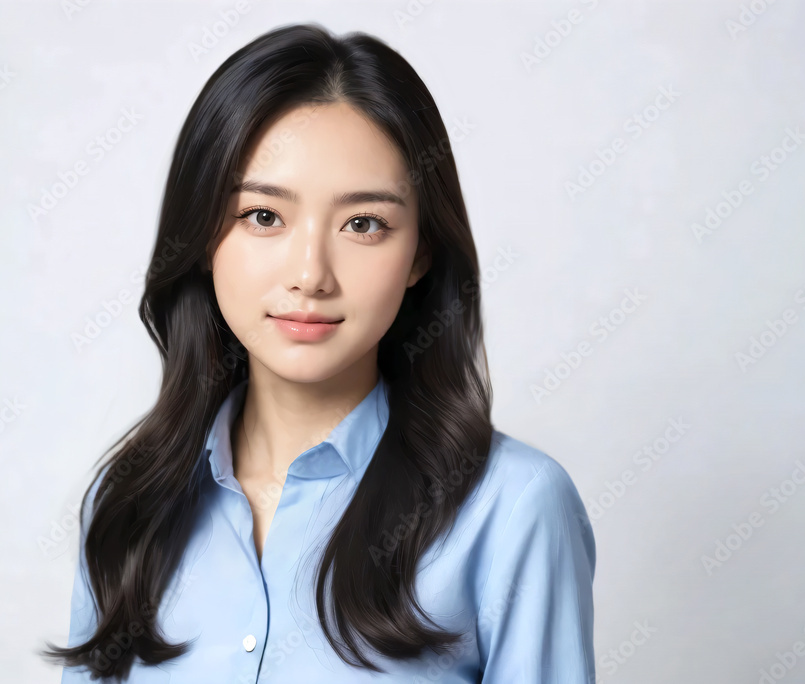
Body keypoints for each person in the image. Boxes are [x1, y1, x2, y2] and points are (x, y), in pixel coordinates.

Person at [42, 22, 596, 683]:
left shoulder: (514, 509)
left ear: (420, 250)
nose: (310, 274)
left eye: (364, 224)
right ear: (203, 237)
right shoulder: (129, 502)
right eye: (264, 216)